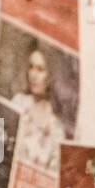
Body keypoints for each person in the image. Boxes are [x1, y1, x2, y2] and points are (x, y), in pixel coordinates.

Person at [9, 40, 67, 172]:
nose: (33, 75)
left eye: (40, 69)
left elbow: (53, 172)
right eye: (31, 67)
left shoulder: (56, 128)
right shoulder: (18, 103)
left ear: (51, 76)